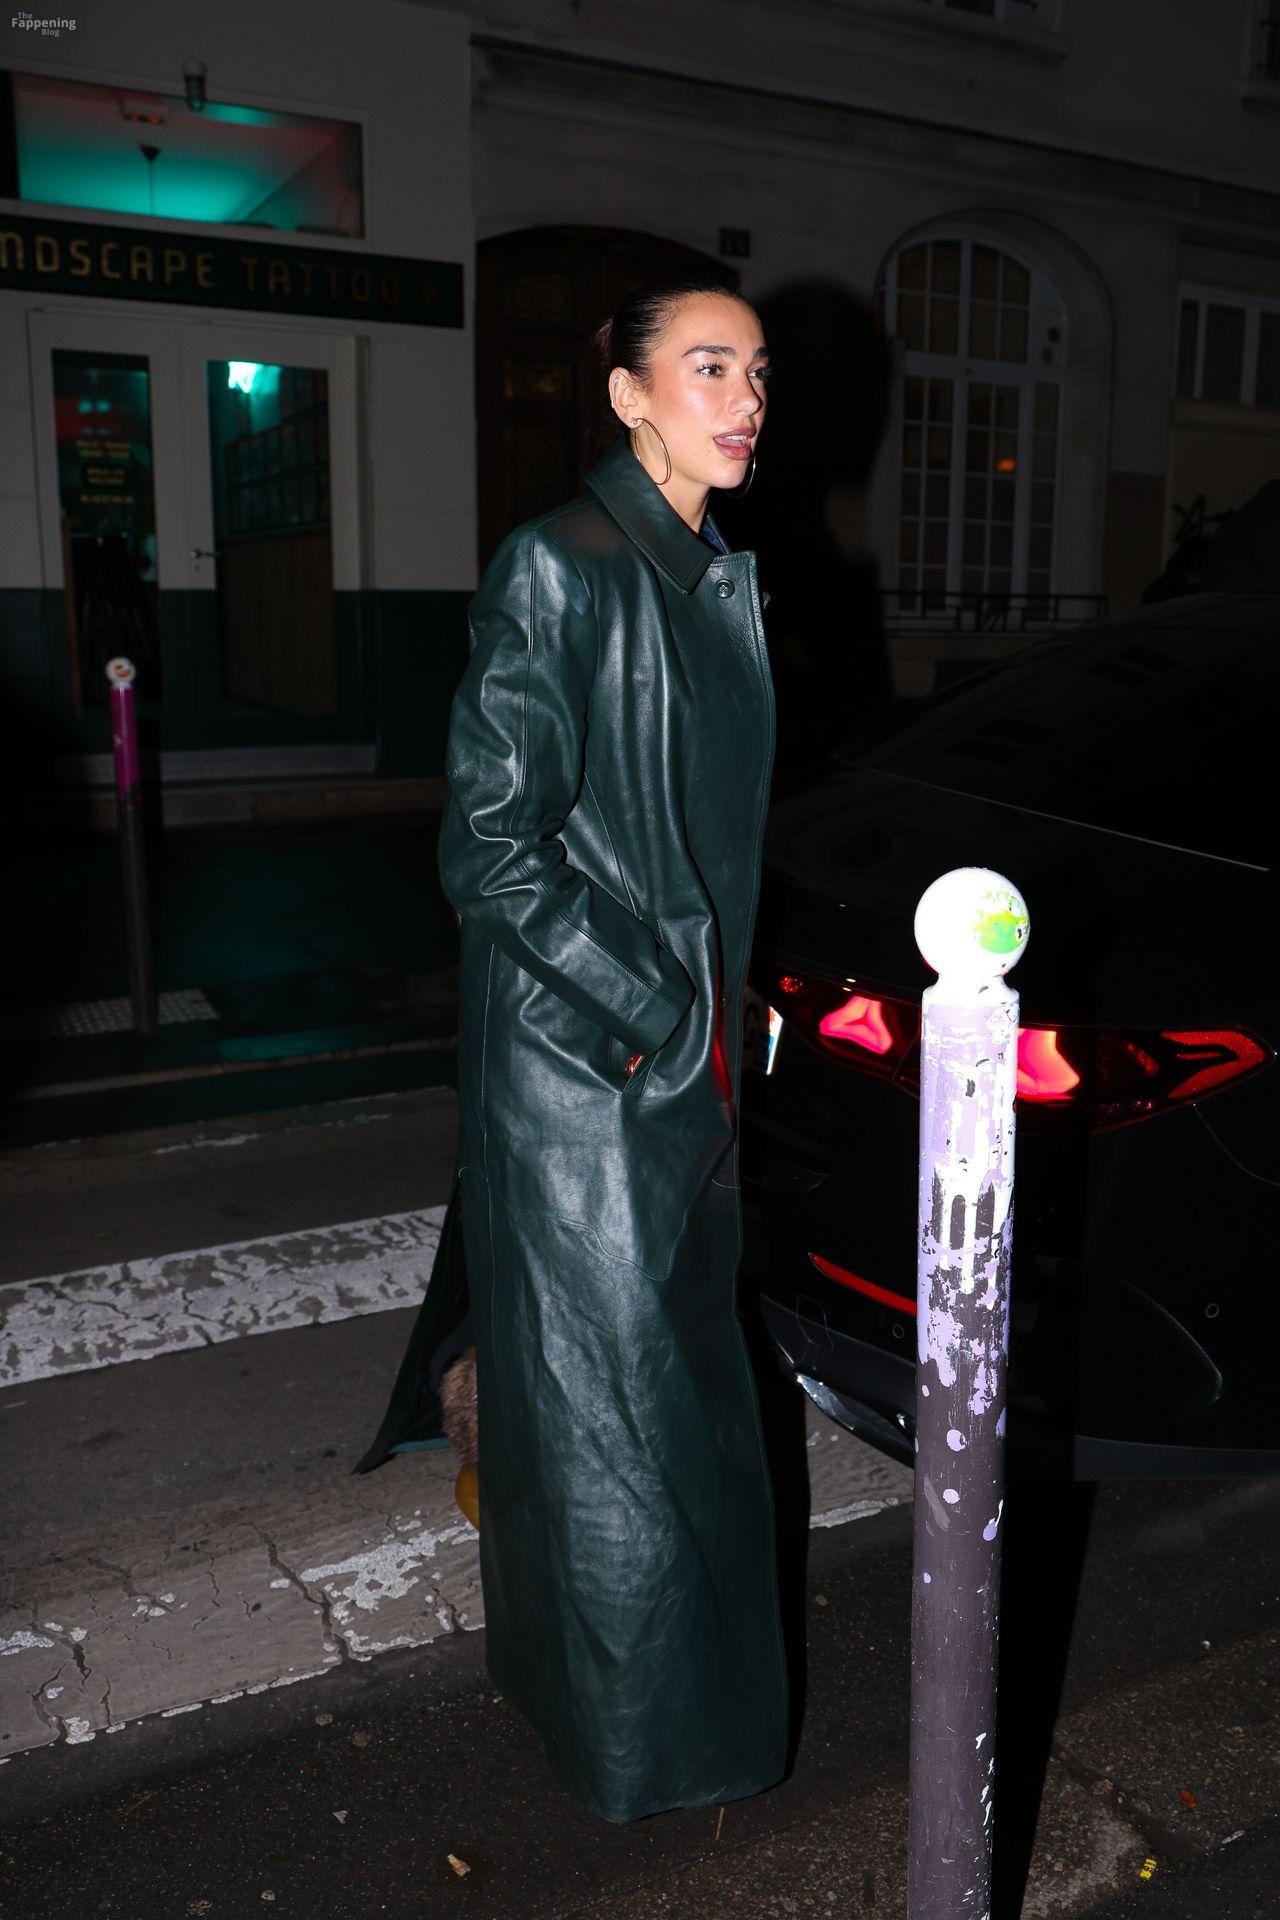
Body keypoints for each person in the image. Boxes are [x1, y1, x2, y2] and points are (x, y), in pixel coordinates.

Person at [354, 274, 789, 1824]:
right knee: (627, 1435)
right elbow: (490, 848)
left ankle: (639, 1724)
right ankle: (647, 1755)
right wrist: (663, 1010)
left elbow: (693, 842)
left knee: (642, 1419)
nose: (745, 399)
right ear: (626, 394)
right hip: (590, 1074)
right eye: (708, 367)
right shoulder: (564, 564)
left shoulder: (706, 573)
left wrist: (727, 1000)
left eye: (757, 370)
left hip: (665, 1061)